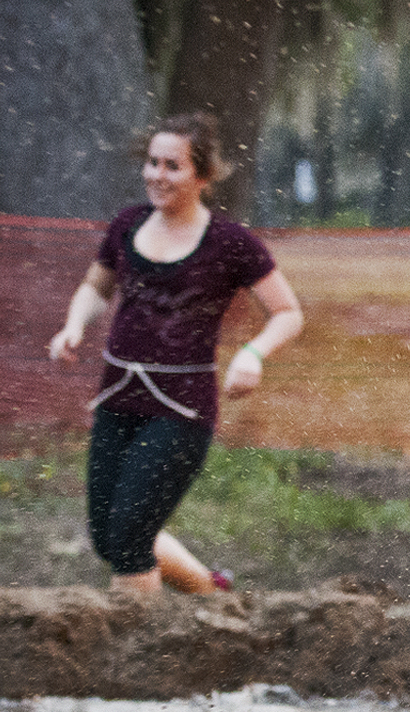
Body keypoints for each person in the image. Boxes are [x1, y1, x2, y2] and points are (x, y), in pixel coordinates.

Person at [48, 112, 303, 594]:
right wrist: (74, 325)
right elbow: (95, 288)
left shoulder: (231, 244)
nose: (156, 176)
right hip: (117, 402)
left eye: (172, 166)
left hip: (182, 411)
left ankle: (135, 655)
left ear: (203, 177)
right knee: (108, 536)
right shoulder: (126, 225)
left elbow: (288, 312)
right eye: (151, 163)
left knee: (128, 541)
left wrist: (253, 354)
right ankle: (212, 592)